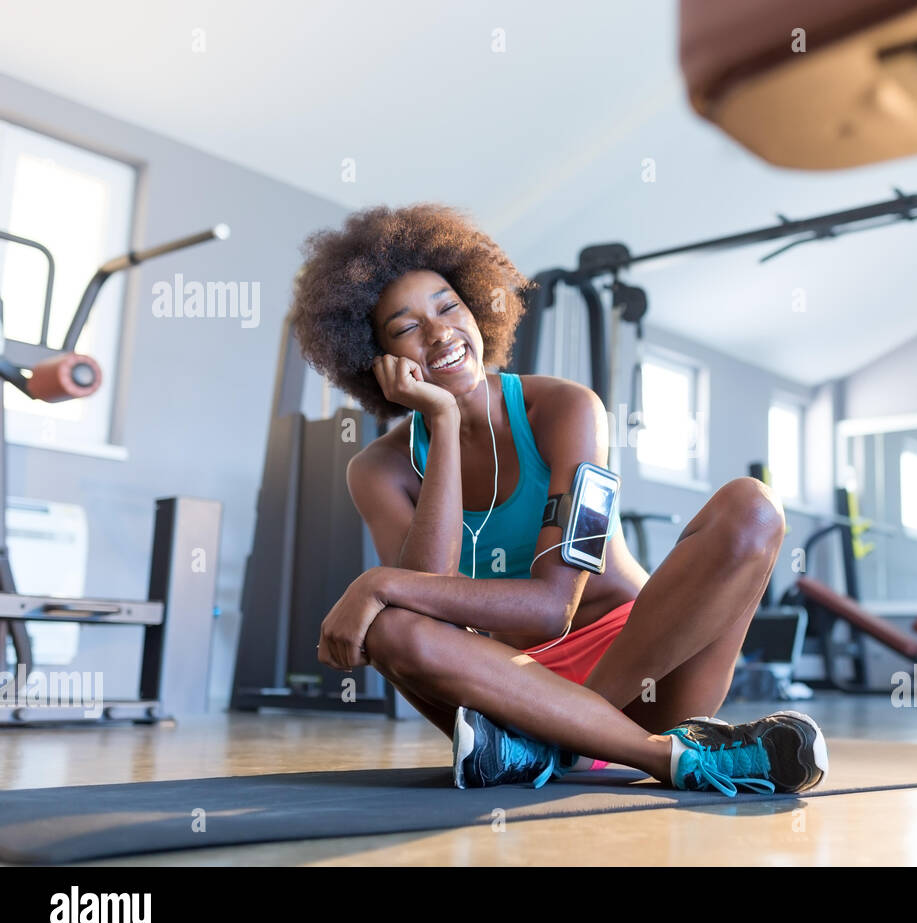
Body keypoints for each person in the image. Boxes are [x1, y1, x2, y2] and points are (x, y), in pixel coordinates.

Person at [289, 203, 828, 796]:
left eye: (449, 306)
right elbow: (426, 608)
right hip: (516, 685)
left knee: (753, 506)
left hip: (645, 676)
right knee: (392, 629)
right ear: (379, 361)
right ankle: (661, 758)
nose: (439, 331)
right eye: (406, 327)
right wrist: (441, 421)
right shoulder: (379, 469)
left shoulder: (568, 410)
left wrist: (373, 583)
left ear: (476, 308)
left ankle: (557, 747)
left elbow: (553, 609)